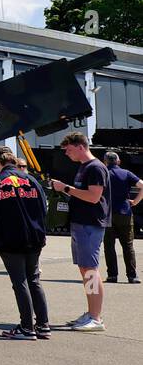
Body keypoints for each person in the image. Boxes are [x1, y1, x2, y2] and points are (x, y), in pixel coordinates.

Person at [0, 147, 50, 340]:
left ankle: (27, 327)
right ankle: (43, 325)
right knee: (34, 280)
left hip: (11, 238)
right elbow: (44, 207)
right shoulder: (32, 180)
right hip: (35, 237)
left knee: (19, 282)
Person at [49, 132, 110, 332]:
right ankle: (92, 313)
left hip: (90, 224)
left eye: (69, 149)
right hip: (82, 223)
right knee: (86, 268)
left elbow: (93, 197)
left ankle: (95, 317)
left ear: (80, 146)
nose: (66, 153)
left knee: (90, 269)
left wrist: (65, 188)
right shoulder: (85, 167)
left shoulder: (95, 168)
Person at [103, 151, 142, 284]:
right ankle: (132, 275)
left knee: (109, 245)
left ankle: (112, 275)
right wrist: (136, 201)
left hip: (107, 213)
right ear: (118, 162)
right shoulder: (126, 173)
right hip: (125, 212)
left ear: (105, 162)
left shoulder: (103, 173)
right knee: (128, 245)